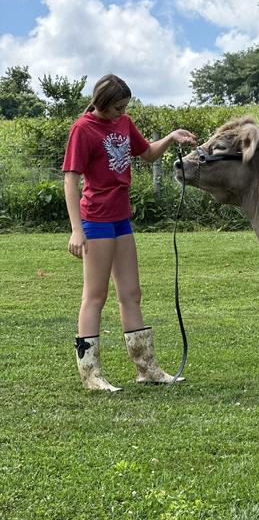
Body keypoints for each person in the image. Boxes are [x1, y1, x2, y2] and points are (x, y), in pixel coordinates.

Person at [62, 73, 196, 391]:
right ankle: (91, 374)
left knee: (131, 294)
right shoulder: (83, 129)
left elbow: (147, 153)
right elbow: (70, 179)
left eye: (125, 107)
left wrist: (171, 137)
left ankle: (147, 368)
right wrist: (76, 230)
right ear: (103, 103)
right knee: (95, 296)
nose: (122, 113)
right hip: (95, 220)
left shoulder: (123, 123)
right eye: (117, 108)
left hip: (122, 219)